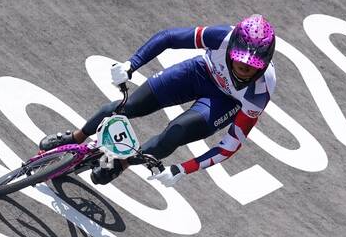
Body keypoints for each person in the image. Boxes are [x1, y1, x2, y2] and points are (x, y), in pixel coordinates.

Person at [38, 15, 276, 186]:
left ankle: (120, 164)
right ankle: (76, 136)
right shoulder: (222, 36)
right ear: (231, 47)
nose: (244, 70)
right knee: (128, 107)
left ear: (264, 64)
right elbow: (169, 37)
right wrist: (130, 65)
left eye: (251, 67)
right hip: (201, 73)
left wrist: (184, 169)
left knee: (175, 134)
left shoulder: (260, 92)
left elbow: (230, 145)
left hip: (224, 102)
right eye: (239, 62)